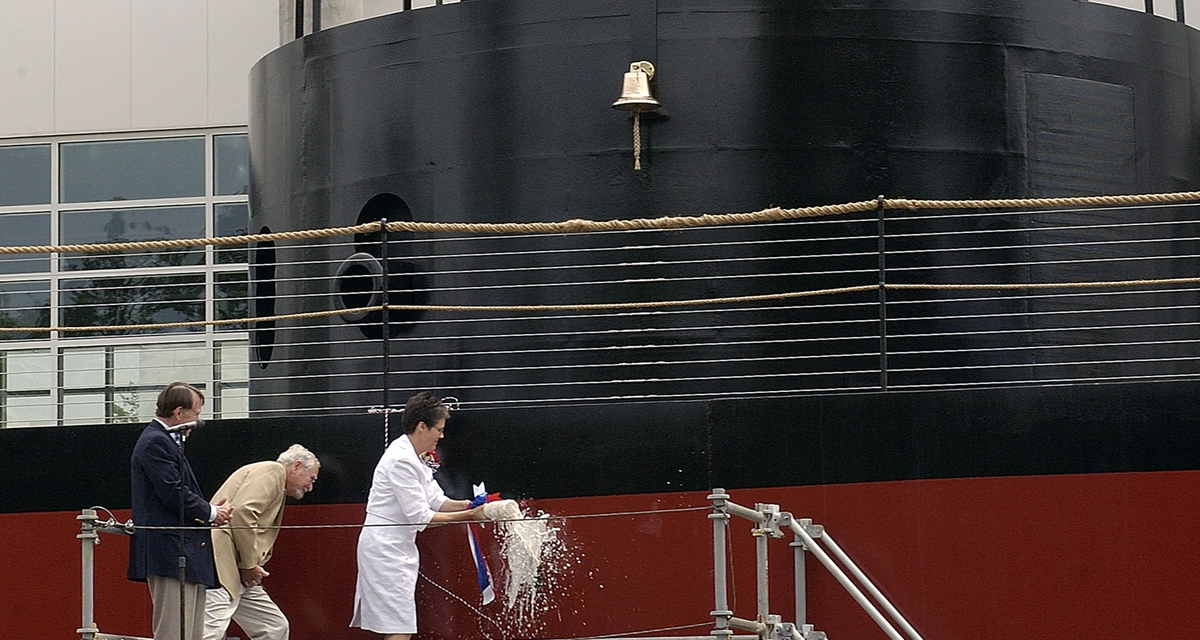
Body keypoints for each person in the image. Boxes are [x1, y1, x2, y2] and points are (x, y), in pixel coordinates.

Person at [350, 391, 487, 640]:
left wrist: (470, 504)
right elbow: (421, 517)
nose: (442, 435)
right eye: (439, 429)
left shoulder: (414, 456)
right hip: (385, 551)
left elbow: (437, 500)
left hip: (397, 549)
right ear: (422, 427)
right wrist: (470, 516)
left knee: (399, 625)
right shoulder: (401, 460)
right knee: (400, 628)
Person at [128, 381, 233, 640]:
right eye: (196, 413)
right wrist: (211, 512)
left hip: (182, 551)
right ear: (178, 413)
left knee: (190, 631)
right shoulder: (156, 442)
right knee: (174, 631)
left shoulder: (162, 441)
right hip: (170, 552)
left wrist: (209, 511)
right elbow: (171, 491)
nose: (198, 420)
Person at [202, 444, 321, 640]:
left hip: (236, 569)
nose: (310, 487)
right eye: (311, 478)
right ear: (296, 465)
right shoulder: (273, 471)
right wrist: (249, 565)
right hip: (222, 566)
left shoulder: (273, 478)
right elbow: (243, 512)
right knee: (210, 632)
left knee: (274, 627)